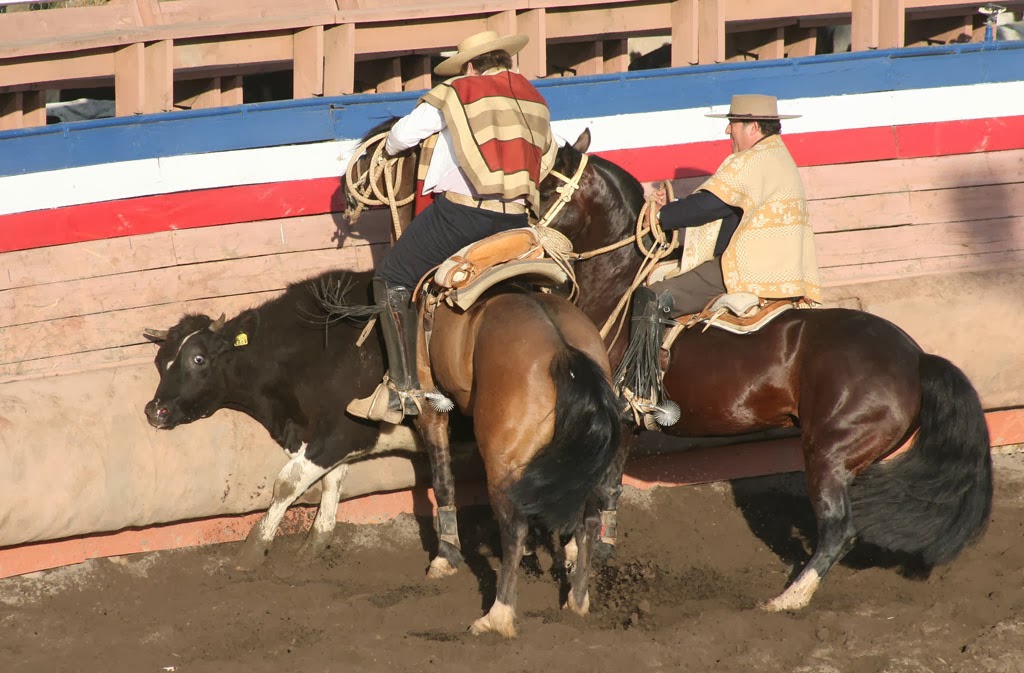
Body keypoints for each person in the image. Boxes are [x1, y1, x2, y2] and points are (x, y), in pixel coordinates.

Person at [347, 30, 557, 424]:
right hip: (518, 218)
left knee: (392, 276)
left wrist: (390, 150)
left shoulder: (458, 91)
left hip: (466, 215)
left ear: (472, 65)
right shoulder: (534, 98)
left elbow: (400, 137)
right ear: (506, 61)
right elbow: (549, 153)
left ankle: (402, 390)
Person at [615, 94, 822, 417]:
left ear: (753, 126)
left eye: (733, 123)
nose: (728, 131)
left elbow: (710, 206)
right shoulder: (776, 158)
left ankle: (640, 394)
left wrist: (659, 217)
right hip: (778, 269)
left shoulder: (751, 161)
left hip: (746, 268)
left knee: (651, 296)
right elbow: (726, 208)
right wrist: (670, 202)